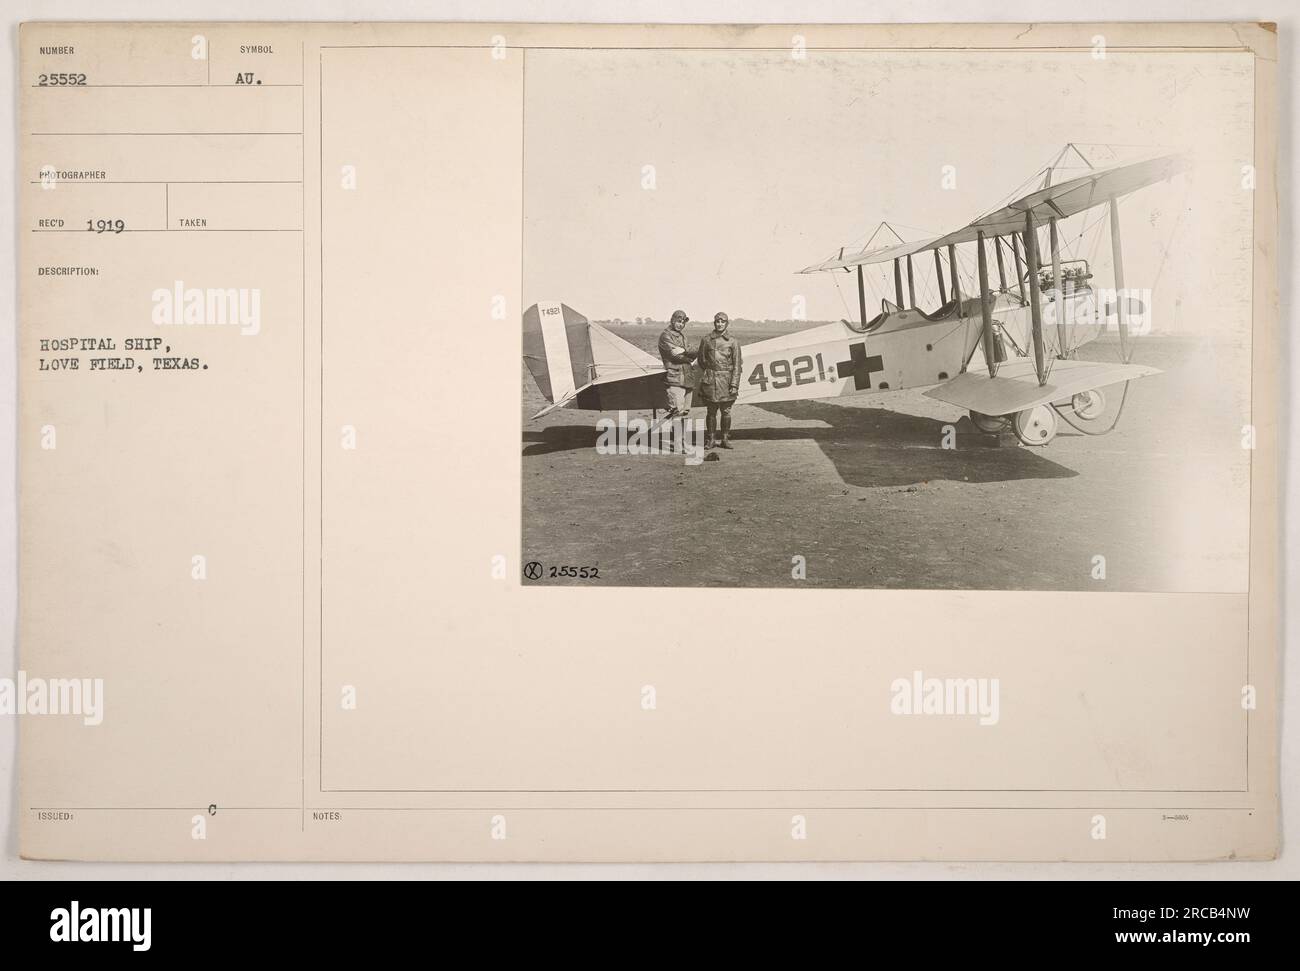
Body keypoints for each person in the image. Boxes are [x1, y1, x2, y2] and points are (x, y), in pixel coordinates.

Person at [695, 312, 742, 449]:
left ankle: (725, 438)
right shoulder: (706, 340)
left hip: (726, 381)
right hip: (710, 380)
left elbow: (737, 365)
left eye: (723, 322)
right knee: (711, 411)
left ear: (727, 324)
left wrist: (734, 384)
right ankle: (711, 439)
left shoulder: (733, 342)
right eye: (717, 321)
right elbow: (701, 360)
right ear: (714, 323)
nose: (720, 324)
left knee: (726, 411)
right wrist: (711, 371)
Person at [656, 310, 696, 418]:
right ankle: (678, 435)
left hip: (687, 377)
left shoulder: (683, 336)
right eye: (679, 321)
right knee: (677, 411)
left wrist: (684, 351)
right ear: (673, 321)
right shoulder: (665, 336)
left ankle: (680, 435)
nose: (681, 325)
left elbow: (694, 352)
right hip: (675, 377)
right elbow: (675, 356)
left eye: (683, 322)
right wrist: (688, 356)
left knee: (685, 412)